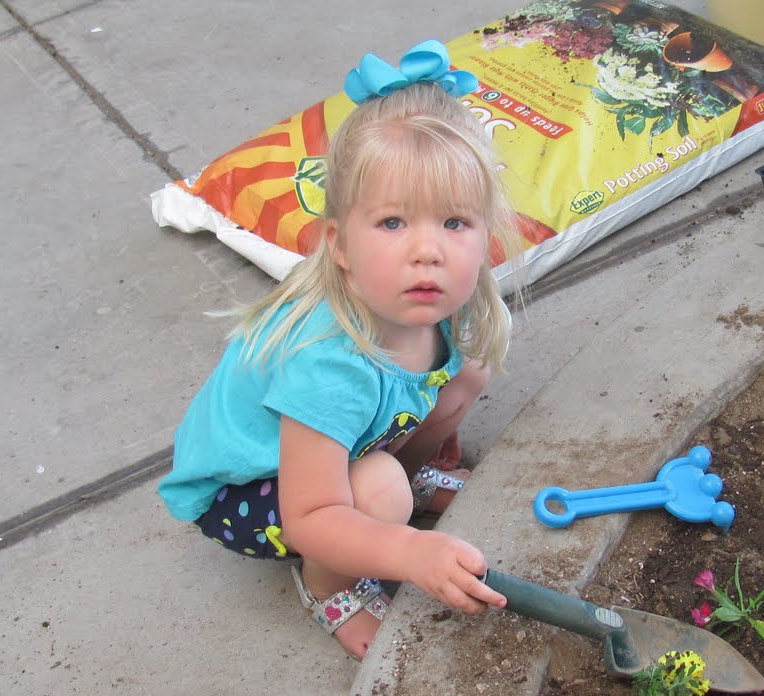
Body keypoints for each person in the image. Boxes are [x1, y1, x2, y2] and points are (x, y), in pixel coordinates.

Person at [158, 42, 513, 658]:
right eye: (393, 223)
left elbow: (438, 381)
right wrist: (408, 551)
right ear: (339, 244)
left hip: (333, 447)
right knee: (378, 492)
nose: (427, 251)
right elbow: (310, 514)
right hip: (251, 491)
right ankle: (328, 584)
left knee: (469, 370)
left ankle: (406, 480)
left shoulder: (436, 306)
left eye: (454, 223)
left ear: (486, 231)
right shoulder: (327, 361)